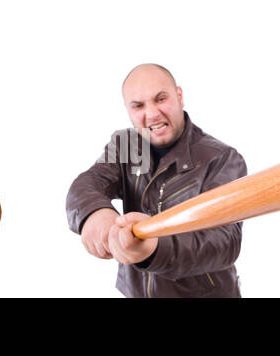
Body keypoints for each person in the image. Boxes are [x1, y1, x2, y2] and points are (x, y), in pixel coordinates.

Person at [66, 64, 247, 297]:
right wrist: (94, 213)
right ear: (128, 110)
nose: (151, 114)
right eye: (138, 105)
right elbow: (88, 183)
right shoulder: (127, 145)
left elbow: (224, 243)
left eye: (161, 99)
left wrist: (154, 247)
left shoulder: (221, 159)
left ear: (179, 96)